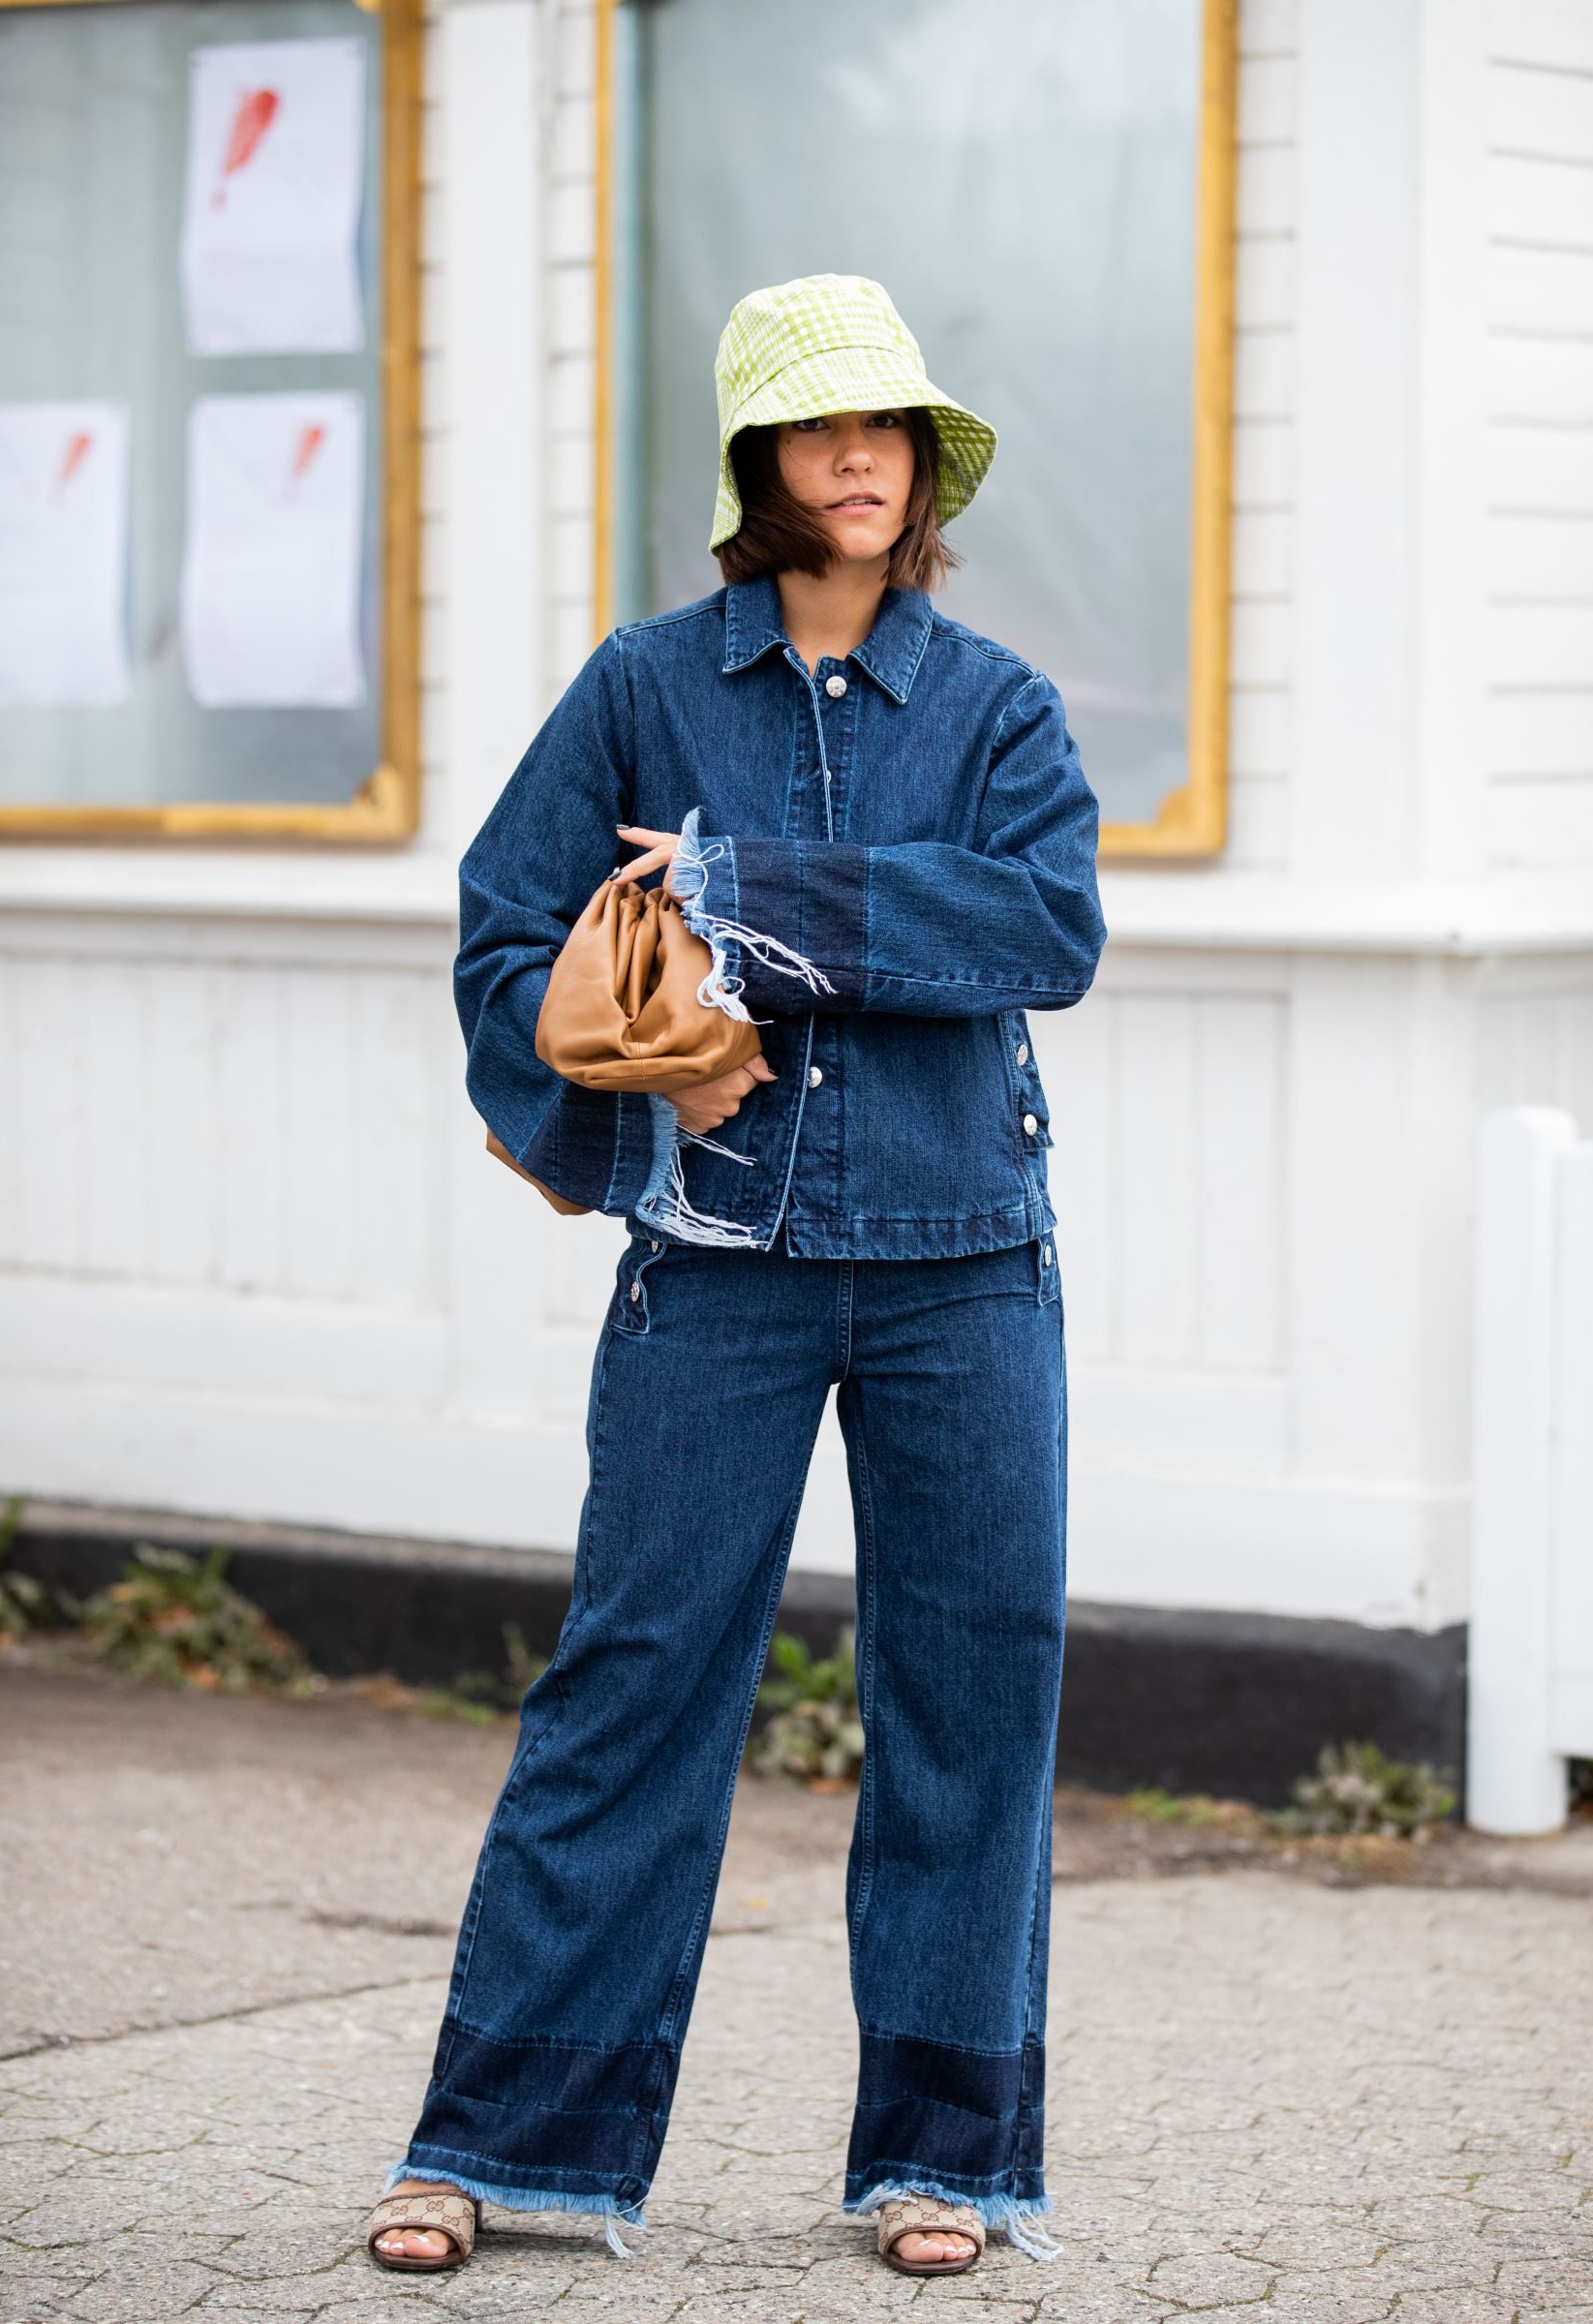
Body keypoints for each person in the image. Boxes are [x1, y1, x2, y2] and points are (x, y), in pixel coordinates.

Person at [366, 273, 1105, 2281]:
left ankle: (947, 2162)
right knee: (632, 1684)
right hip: (719, 1263)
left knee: (968, 1704)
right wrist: (629, 1096)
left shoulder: (1000, 708)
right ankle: (508, 2147)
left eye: (885, 429)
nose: (855, 459)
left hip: (970, 1272)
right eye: (816, 429)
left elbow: (1045, 927)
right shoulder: (641, 687)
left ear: (919, 466)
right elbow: (504, 939)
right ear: (760, 464)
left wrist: (744, 891)